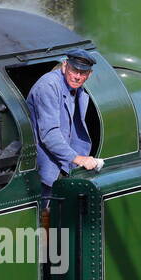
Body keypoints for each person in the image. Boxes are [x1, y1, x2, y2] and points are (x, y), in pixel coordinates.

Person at [26, 48, 104, 224]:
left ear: (89, 75)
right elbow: (49, 134)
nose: (77, 76)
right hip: (43, 166)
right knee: (44, 221)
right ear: (64, 66)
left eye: (82, 73)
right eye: (74, 70)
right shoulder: (48, 86)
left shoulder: (78, 89)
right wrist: (79, 159)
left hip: (62, 165)